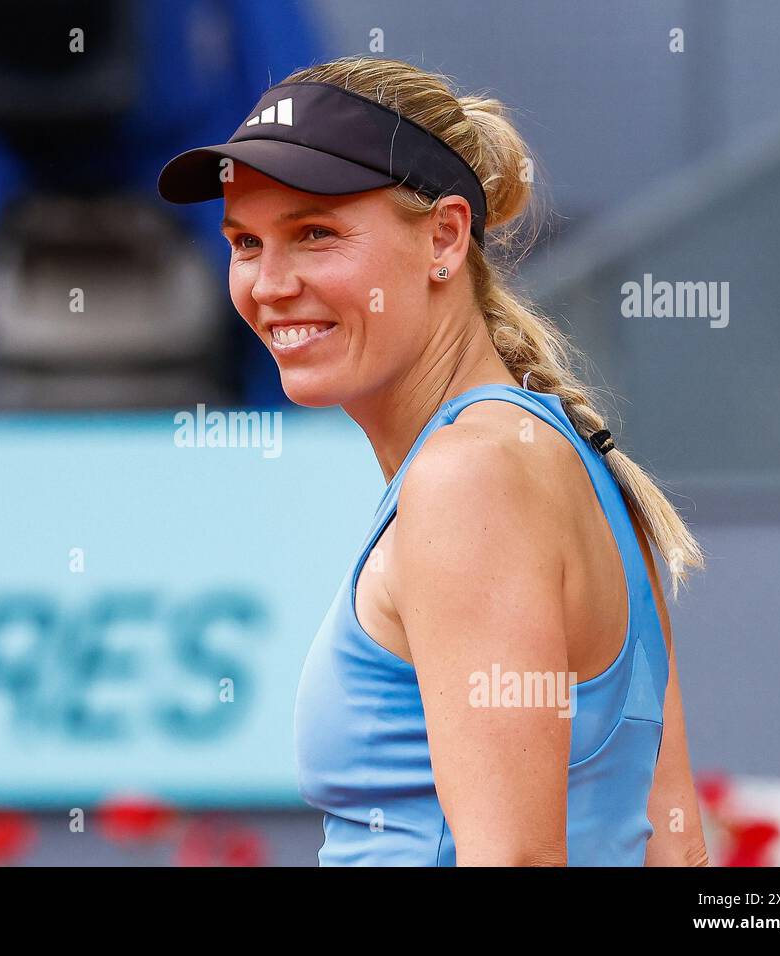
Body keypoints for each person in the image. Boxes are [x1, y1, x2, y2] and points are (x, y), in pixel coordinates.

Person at [157, 55, 710, 866]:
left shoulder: (469, 477)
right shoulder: (572, 463)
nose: (269, 284)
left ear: (446, 237)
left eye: (315, 233)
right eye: (246, 242)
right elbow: (678, 850)